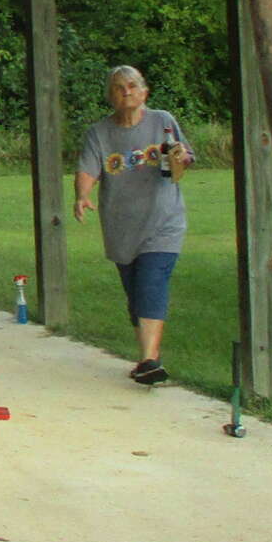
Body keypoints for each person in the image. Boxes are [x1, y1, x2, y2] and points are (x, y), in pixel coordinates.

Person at [72, 65, 192, 386]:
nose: (126, 91)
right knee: (136, 295)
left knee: (152, 282)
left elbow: (184, 159)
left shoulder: (163, 122)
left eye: (132, 85)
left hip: (163, 221)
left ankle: (149, 360)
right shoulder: (99, 133)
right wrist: (82, 195)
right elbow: (88, 169)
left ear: (145, 91)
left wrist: (179, 158)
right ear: (110, 96)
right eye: (118, 87)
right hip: (122, 227)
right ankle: (148, 359)